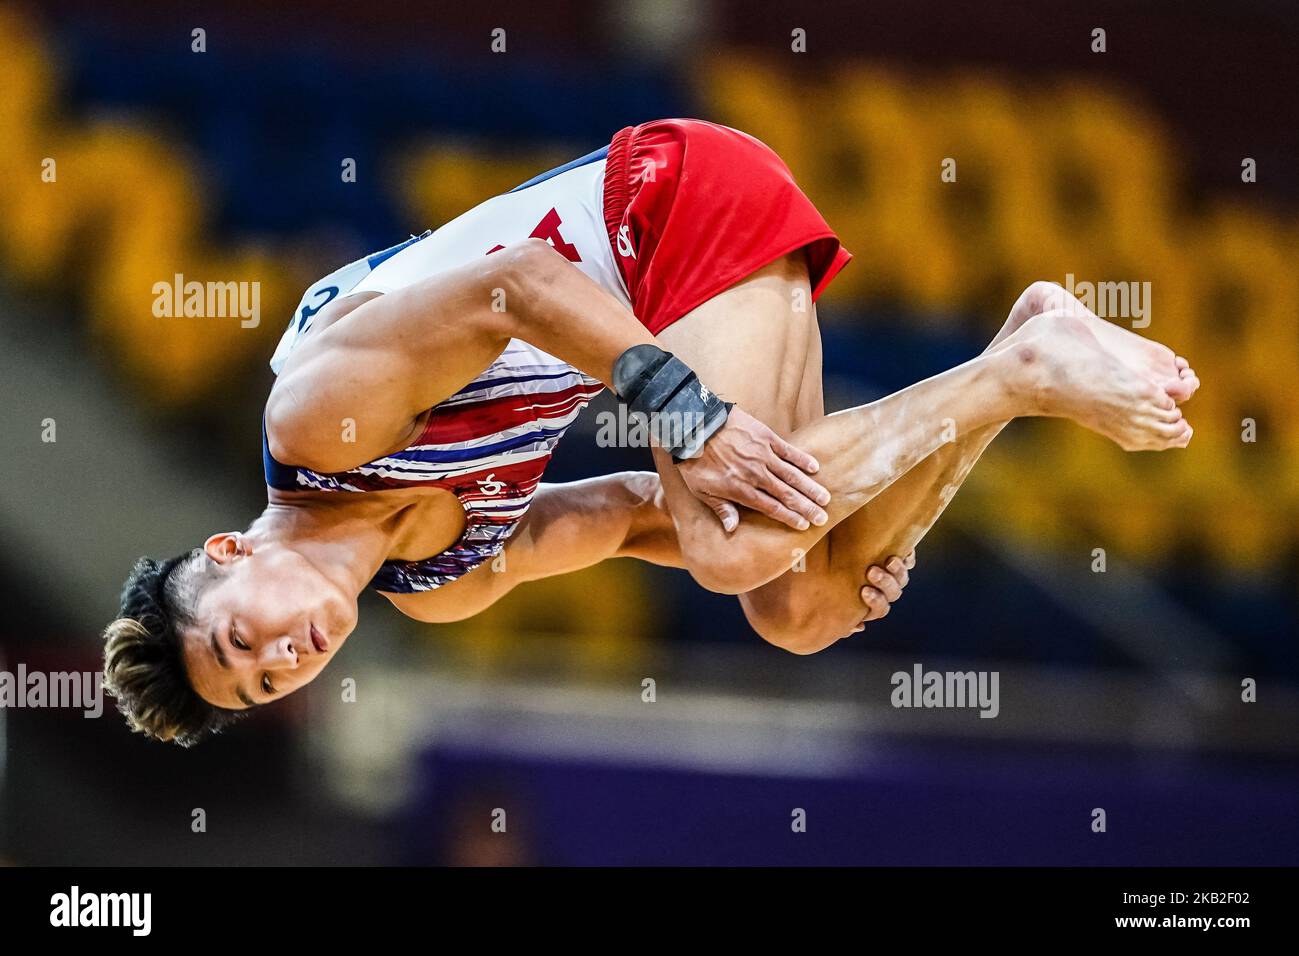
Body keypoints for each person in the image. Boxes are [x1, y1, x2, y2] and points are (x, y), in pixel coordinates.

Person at [102, 119, 1197, 746]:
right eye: (263, 686)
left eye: (239, 638)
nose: (284, 657)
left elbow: (518, 284)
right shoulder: (446, 584)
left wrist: (682, 413)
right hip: (678, 303)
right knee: (798, 602)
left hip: (664, 199)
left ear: (228, 553)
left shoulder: (316, 421)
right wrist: (846, 521)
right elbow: (631, 516)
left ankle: (1024, 370)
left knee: (735, 540)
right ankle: (1020, 353)